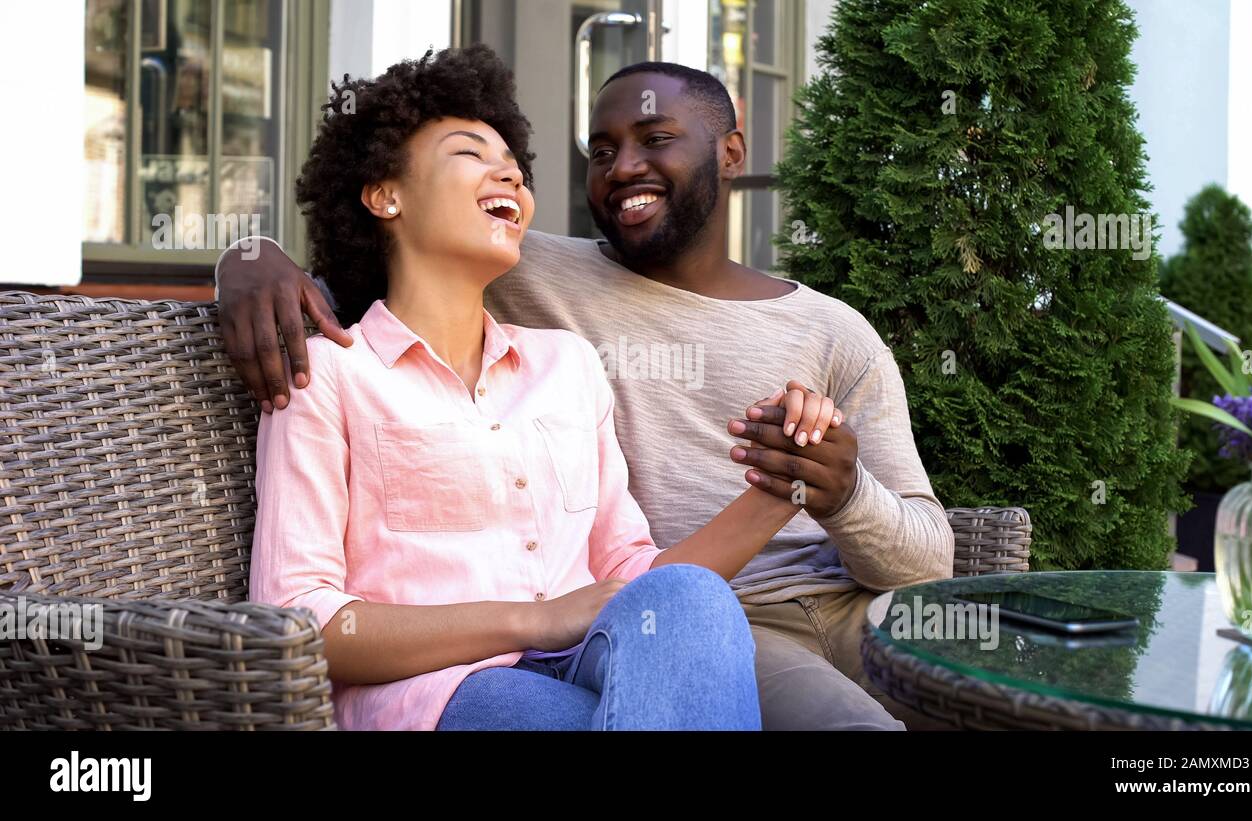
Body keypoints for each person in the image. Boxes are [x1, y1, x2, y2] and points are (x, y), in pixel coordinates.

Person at [223, 53, 954, 731]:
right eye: (472, 156)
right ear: (385, 196)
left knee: (691, 602)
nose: (510, 178)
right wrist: (246, 253)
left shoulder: (566, 366)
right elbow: (300, 616)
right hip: (441, 686)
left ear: (730, 153)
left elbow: (632, 576)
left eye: (515, 166)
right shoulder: (328, 373)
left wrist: (786, 482)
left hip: (601, 651)